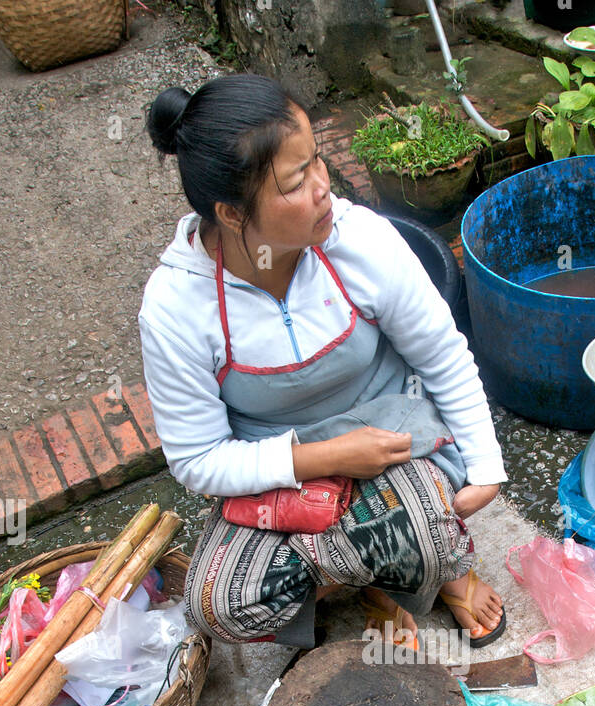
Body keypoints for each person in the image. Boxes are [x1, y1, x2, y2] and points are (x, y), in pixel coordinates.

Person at [139, 73, 508, 652]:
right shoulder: (175, 306)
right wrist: (328, 458)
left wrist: (485, 463)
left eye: (317, 161)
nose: (323, 189)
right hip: (281, 467)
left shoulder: (359, 240)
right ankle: (383, 571)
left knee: (429, 534)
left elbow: (441, 354)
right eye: (295, 180)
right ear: (232, 214)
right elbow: (197, 459)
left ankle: (422, 574)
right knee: (218, 605)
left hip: (393, 435)